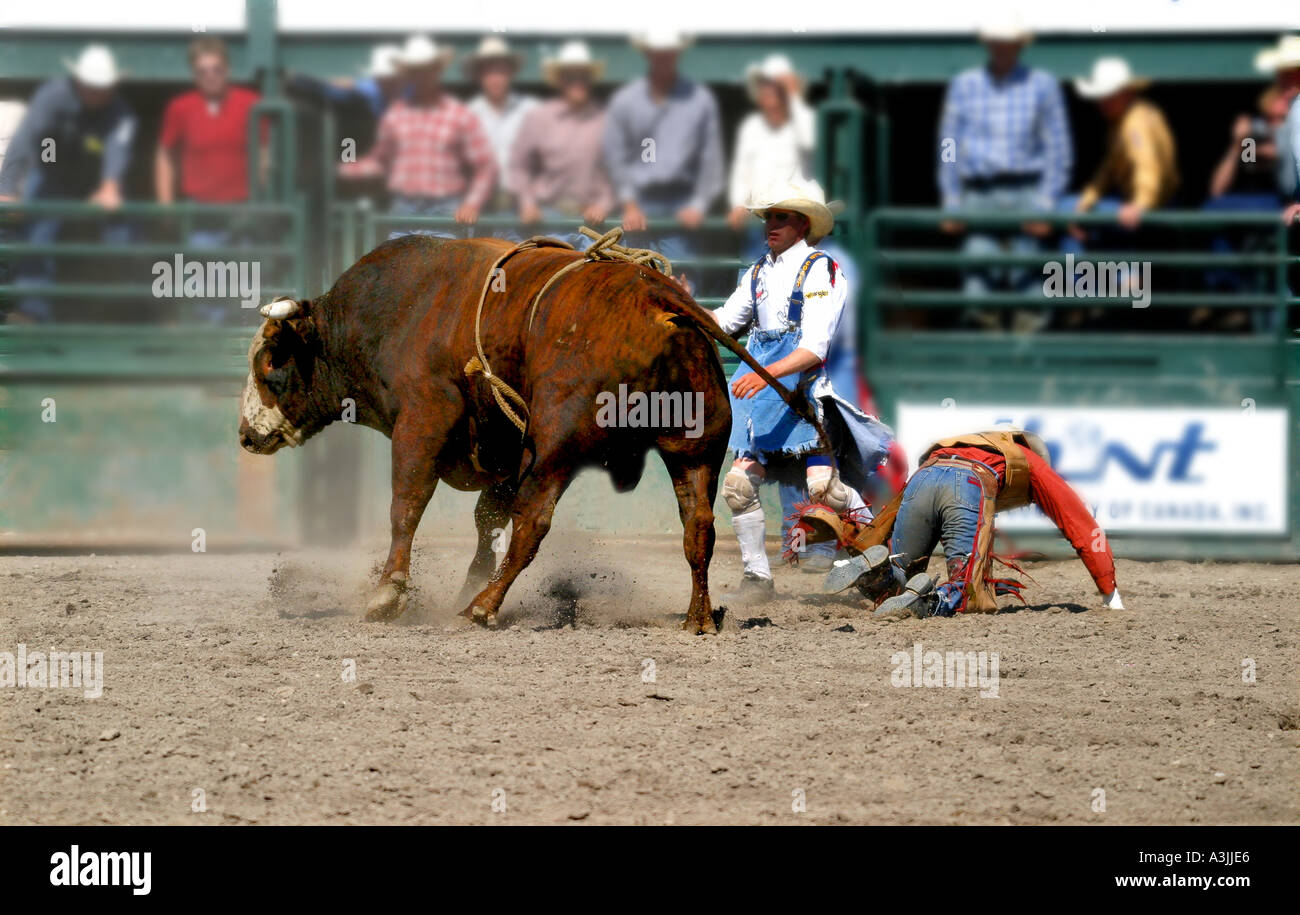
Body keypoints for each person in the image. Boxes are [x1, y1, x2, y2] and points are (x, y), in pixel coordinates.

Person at [710, 175, 893, 599]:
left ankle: (879, 553)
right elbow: (724, 321)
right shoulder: (758, 272)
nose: (770, 224)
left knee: (823, 489)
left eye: (782, 217)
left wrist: (763, 373)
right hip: (764, 400)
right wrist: (678, 306)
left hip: (801, 397)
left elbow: (814, 349)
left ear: (803, 224)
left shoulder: (821, 269)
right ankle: (758, 577)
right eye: (768, 216)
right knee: (738, 488)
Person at [822, 427, 1124, 620]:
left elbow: (894, 509)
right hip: (967, 483)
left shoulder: (958, 444)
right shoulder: (1030, 461)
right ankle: (929, 602)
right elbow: (1077, 521)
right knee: (966, 588)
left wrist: (870, 542)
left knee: (900, 573)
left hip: (922, 478)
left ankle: (878, 571)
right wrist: (1109, 590)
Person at [937, 13, 1072, 331]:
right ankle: (985, 346)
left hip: (1027, 189)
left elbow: (1058, 148)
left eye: (1008, 42)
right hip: (978, 190)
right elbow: (949, 144)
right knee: (977, 267)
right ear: (989, 44)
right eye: (997, 41)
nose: (1002, 47)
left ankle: (1029, 352)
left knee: (1029, 273)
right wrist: (953, 199)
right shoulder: (965, 85)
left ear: (1018, 45)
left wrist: (1047, 204)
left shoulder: (1042, 86)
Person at [0, 45, 135, 323]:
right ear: (80, 82)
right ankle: (33, 315)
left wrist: (110, 183)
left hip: (93, 178)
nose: (99, 93)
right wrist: (8, 189)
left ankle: (125, 312)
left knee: (123, 229)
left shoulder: (120, 112)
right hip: (50, 175)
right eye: (93, 86)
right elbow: (26, 142)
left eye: (104, 87)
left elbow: (117, 148)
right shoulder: (51, 98)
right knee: (39, 232)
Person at [337, 35, 496, 239]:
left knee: (444, 271)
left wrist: (472, 203)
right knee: (398, 270)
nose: (420, 76)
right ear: (408, 75)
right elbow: (380, 161)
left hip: (445, 214)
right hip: (403, 213)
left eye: (426, 69)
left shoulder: (459, 115)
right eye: (415, 71)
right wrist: (346, 168)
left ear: (436, 71)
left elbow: (484, 165)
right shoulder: (395, 115)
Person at [602, 29, 723, 280]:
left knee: (681, 286)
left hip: (681, 206)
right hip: (636, 207)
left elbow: (712, 159)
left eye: (668, 54)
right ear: (647, 55)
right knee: (632, 283)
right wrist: (629, 203)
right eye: (657, 54)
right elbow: (615, 157)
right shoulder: (626, 100)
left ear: (677, 55)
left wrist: (698, 205)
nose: (663, 59)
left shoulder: (700, 100)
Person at [509, 40, 612, 249]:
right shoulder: (538, 117)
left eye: (583, 76)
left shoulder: (606, 120)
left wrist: (604, 203)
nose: (578, 82)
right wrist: (527, 202)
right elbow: (519, 165)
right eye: (570, 76)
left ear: (591, 79)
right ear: (560, 80)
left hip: (593, 226)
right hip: (546, 221)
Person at [1065, 57, 1178, 240]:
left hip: (1151, 211)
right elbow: (1108, 170)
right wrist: (1086, 200)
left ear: (1127, 93)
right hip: (1149, 205)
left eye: (1108, 95)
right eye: (1100, 95)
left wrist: (1139, 205)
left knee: (1065, 207)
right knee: (1077, 210)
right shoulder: (1124, 121)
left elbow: (1147, 166)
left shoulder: (1134, 124)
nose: (1101, 101)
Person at [727, 54, 814, 256]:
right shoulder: (751, 127)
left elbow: (810, 141)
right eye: (765, 85)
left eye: (777, 86)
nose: (769, 91)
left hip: (791, 222)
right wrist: (738, 204)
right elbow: (741, 172)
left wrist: (794, 97)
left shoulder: (803, 121)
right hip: (756, 220)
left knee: (790, 278)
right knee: (752, 278)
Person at [464, 35, 536, 233]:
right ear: (480, 76)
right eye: (489, 72)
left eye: (501, 71)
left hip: (522, 211)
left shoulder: (531, 111)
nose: (496, 78)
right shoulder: (468, 114)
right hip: (479, 213)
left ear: (511, 74)